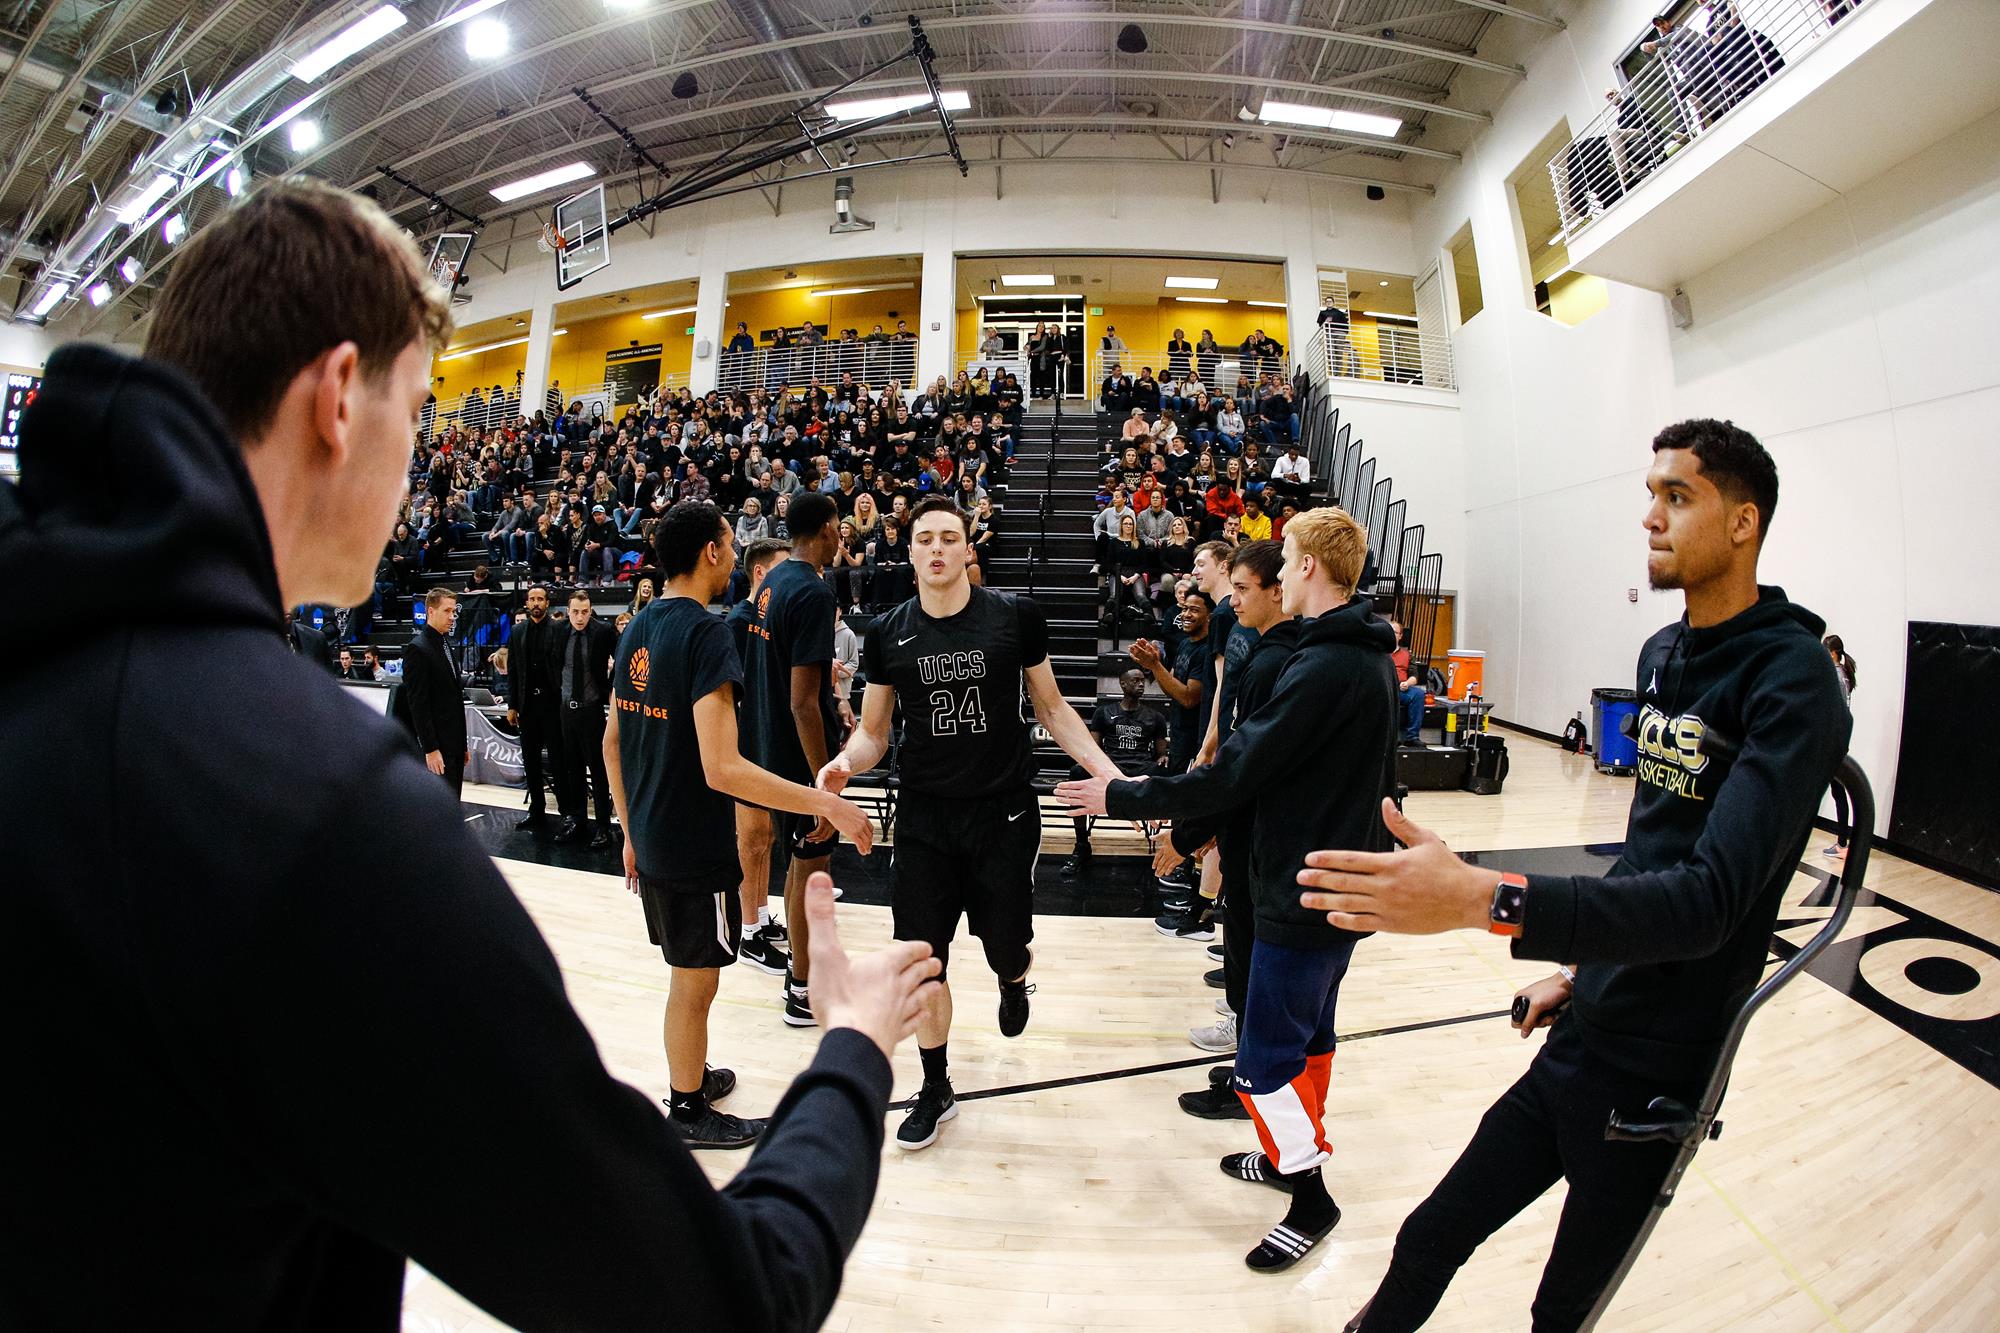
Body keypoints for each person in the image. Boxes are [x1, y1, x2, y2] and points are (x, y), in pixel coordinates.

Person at [0, 175, 942, 1330]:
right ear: (341, 397)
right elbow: (720, 1304)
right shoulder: (312, 804)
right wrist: (850, 1053)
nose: (420, 458)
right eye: (422, 406)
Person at [1316, 420, 1848, 1331]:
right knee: (1428, 1236)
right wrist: (1577, 973)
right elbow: (1650, 853)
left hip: (1658, 1076)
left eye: (1678, 496)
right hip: (1588, 1028)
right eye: (1651, 493)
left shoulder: (1793, 679)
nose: (1650, 516)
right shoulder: (1662, 655)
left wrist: (1487, 899)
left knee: (1558, 1311)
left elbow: (1711, 902)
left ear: (1743, 522)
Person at [1058, 507, 1397, 1274]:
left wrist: (1125, 796)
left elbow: (1237, 770)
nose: (1276, 571)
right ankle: (1288, 1156)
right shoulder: (1363, 657)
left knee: (1262, 1061)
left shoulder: (1324, 666)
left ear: (1306, 566)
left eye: (1286, 557)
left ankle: (1310, 1193)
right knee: (1310, 1040)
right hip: (1331, 887)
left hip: (1301, 890)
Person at [818, 497, 1124, 1150]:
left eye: (947, 537)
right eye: (924, 537)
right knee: (923, 961)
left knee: (1005, 945)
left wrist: (1109, 771)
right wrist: (846, 763)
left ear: (965, 549)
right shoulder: (888, 631)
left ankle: (1014, 977)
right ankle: (936, 1084)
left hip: (1004, 813)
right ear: (911, 551)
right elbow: (874, 733)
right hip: (926, 818)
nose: (935, 548)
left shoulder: (1014, 617)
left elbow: (1052, 705)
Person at [604, 501, 876, 1150]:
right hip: (693, 841)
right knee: (696, 981)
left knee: (689, 974)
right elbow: (723, 766)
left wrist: (628, 829)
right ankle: (688, 1107)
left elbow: (614, 740)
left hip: (654, 833)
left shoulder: (637, 625)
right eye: (730, 541)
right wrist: (825, 800)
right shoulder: (706, 633)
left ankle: (690, 1074)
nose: (733, 553)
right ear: (712, 553)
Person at [1159, 539, 1296, 1101]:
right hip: (1245, 817)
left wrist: (1188, 828)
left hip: (1264, 828)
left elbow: (1246, 766)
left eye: (1242, 590)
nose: (1233, 602)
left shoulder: (1279, 661)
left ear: (1278, 589)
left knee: (1255, 943)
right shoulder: (1259, 646)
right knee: (1242, 932)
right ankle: (1248, 1059)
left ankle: (1252, 1077)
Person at [741, 492, 847, 1027]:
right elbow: (803, 701)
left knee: (801, 863)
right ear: (824, 529)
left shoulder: (771, 583)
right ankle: (803, 992)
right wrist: (823, 788)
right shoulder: (811, 590)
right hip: (798, 758)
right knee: (811, 865)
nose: (842, 535)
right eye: (838, 527)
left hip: (766, 745)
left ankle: (798, 974)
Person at [727, 538, 797, 974]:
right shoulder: (739, 620)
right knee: (751, 839)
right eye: (782, 570)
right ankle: (748, 933)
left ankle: (760, 911)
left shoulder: (768, 619)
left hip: (763, 740)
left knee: (766, 837)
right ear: (760, 573)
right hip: (743, 744)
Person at [1061, 668, 1169, 878]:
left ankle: (1168, 848)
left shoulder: (1155, 717)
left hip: (1140, 767)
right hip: (1111, 765)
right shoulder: (1104, 712)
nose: (1140, 684)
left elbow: (1160, 753)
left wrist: (1163, 758)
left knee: (1165, 772)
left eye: (1142, 681)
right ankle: (1082, 845)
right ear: (1122, 684)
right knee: (1077, 772)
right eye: (1135, 681)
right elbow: (1093, 749)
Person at [554, 589, 618, 848]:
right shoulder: (558, 632)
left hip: (592, 709)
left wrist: (612, 689)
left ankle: (603, 824)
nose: (580, 617)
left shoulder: (602, 631)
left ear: (590, 611)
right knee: (573, 768)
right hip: (566, 709)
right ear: (568, 611)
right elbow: (553, 664)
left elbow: (622, 658)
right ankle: (577, 819)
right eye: (575, 612)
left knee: (598, 769)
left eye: (584, 612)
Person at [398, 587, 468, 796]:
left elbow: (455, 699)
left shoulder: (446, 643)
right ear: (430, 611)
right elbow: (418, 705)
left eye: (454, 612)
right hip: (437, 745)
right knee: (440, 806)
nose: (452, 617)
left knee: (454, 801)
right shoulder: (417, 649)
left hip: (453, 742)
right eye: (447, 611)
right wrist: (430, 748)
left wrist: (462, 743)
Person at [506, 584, 562, 833]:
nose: (536, 603)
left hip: (553, 705)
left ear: (547, 603)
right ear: (527, 603)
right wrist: (512, 705)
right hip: (527, 706)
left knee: (560, 762)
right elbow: (513, 671)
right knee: (530, 762)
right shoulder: (517, 631)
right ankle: (536, 810)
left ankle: (567, 812)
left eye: (540, 599)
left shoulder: (559, 629)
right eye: (532, 599)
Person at [1822, 632, 1857, 856]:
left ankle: (1843, 842)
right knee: (1837, 791)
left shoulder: (1834, 675)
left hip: (1832, 741)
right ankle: (1842, 841)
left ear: (1833, 653)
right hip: (1839, 740)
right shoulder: (1845, 674)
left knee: (1835, 790)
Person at [1390, 616, 1427, 746]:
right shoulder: (1379, 652)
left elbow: (1414, 676)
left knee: (1418, 694)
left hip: (1402, 689)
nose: (1391, 634)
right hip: (1386, 688)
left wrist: (1407, 683)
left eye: (1395, 632)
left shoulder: (1407, 654)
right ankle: (1390, 737)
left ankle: (1412, 737)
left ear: (1400, 636)